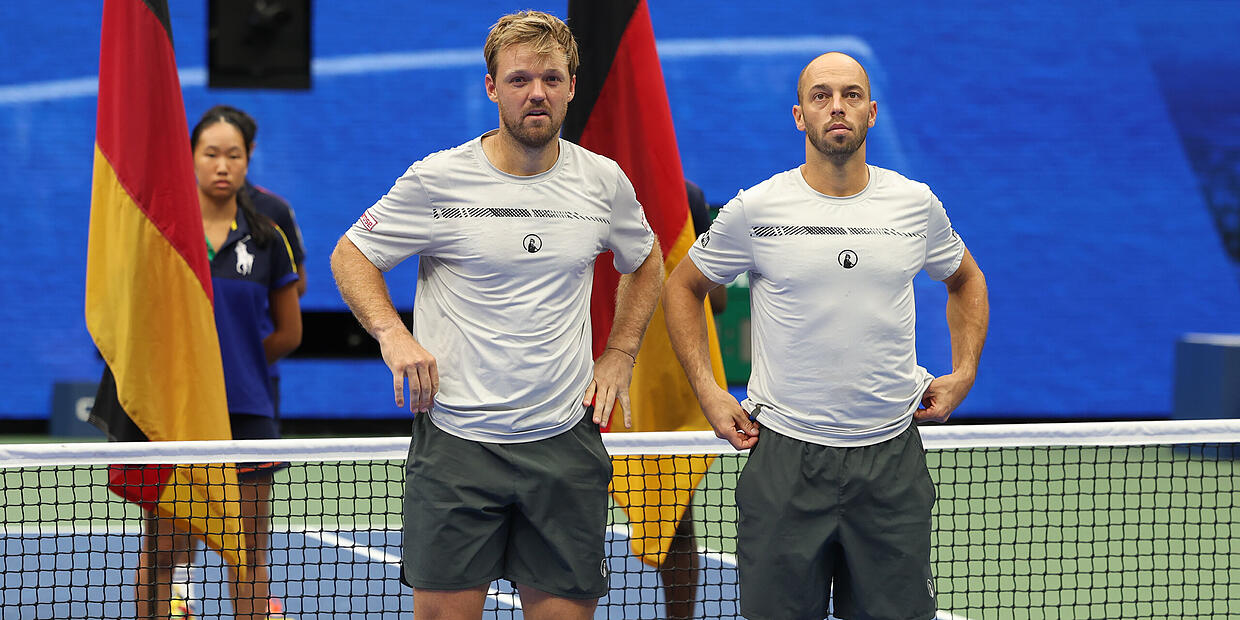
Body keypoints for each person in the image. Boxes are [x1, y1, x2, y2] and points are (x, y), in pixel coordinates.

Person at [329, 10, 663, 620]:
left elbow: (645, 260)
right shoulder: (438, 180)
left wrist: (620, 352)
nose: (536, 92)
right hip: (456, 450)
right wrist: (391, 334)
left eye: (551, 79)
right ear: (492, 87)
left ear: (570, 85)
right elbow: (352, 253)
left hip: (564, 444)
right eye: (519, 79)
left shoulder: (603, 182)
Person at [664, 52, 989, 620]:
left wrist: (964, 372)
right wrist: (710, 390)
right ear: (799, 115)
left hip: (889, 462)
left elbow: (966, 279)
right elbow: (682, 287)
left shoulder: (915, 205)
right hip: (784, 462)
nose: (836, 106)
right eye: (820, 95)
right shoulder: (756, 209)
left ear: (871, 111)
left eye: (850, 94)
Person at [139, 106, 302, 620]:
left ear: (247, 160)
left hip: (247, 415)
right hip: (177, 420)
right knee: (163, 555)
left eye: (233, 155)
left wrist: (240, 366)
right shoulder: (159, 235)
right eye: (211, 154)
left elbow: (289, 332)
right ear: (190, 158)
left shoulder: (268, 237)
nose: (222, 165)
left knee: (249, 556)